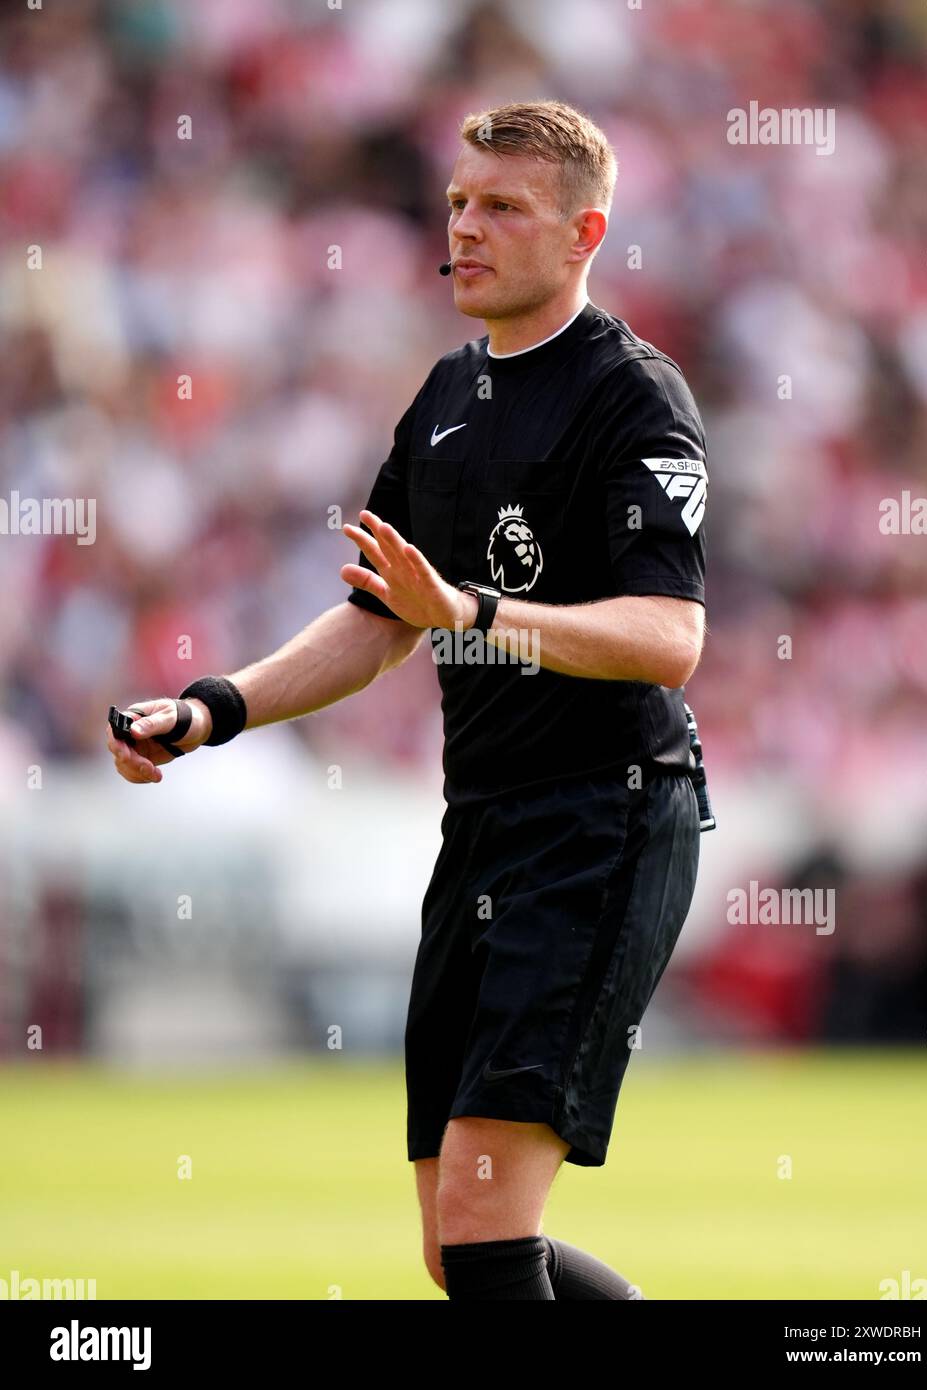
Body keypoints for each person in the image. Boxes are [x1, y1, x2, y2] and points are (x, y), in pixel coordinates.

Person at [106, 99, 709, 1301]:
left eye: (501, 208)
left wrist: (478, 615)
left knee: (488, 1225)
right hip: (482, 824)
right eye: (455, 204)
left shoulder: (633, 398)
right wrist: (214, 706)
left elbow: (668, 638)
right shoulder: (444, 395)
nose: (463, 230)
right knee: (456, 1247)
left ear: (583, 231)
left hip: (604, 820)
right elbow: (382, 617)